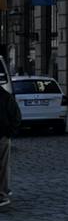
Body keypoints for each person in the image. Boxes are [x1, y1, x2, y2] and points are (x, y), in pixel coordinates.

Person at [0, 79, 20, 208]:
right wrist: (9, 132)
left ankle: (2, 194)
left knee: (2, 166)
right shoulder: (5, 96)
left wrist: (8, 132)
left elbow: (16, 117)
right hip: (2, 135)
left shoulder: (5, 96)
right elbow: (16, 117)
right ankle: (2, 194)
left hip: (2, 136)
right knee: (2, 167)